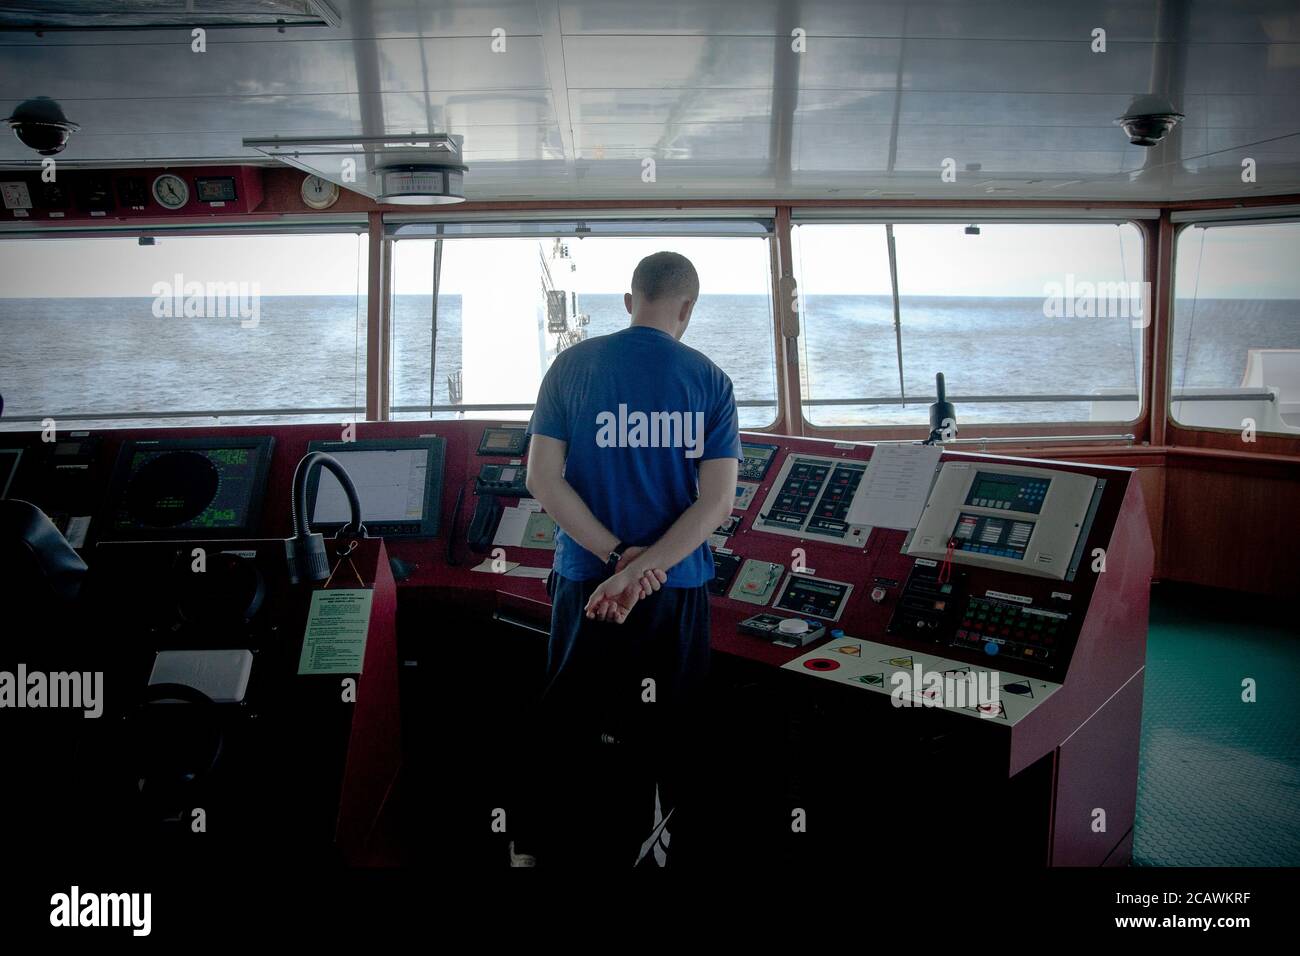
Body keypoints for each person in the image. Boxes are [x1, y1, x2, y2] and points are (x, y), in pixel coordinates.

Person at [522, 251, 741, 868]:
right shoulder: (710, 381)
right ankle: (655, 854)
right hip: (673, 593)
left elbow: (543, 480)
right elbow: (716, 503)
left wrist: (618, 559)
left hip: (587, 584)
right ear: (688, 309)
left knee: (575, 729)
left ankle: (563, 853)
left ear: (629, 301)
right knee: (666, 736)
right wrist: (648, 569)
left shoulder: (570, 367)